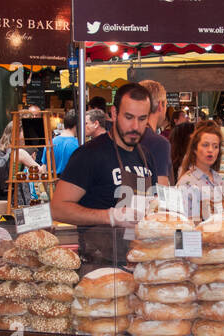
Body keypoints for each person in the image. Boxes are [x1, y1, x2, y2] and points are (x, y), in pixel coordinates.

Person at [52, 84, 170, 263]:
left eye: (142, 118)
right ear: (114, 114)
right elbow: (58, 209)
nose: (135, 126)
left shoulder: (146, 156)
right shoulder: (89, 155)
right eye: (129, 117)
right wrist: (110, 216)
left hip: (137, 262)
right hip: (98, 265)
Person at [176, 122, 224, 219]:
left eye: (215, 146)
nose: (210, 150)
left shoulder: (218, 178)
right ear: (195, 149)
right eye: (205, 145)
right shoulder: (186, 183)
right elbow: (183, 222)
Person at [138, 79, 174, 174]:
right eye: (166, 105)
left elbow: (140, 181)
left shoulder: (128, 137)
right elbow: (161, 187)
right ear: (160, 105)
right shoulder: (159, 144)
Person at [48, 109, 80, 176]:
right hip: (71, 183)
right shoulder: (78, 145)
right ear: (77, 125)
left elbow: (44, 168)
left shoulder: (51, 143)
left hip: (53, 183)